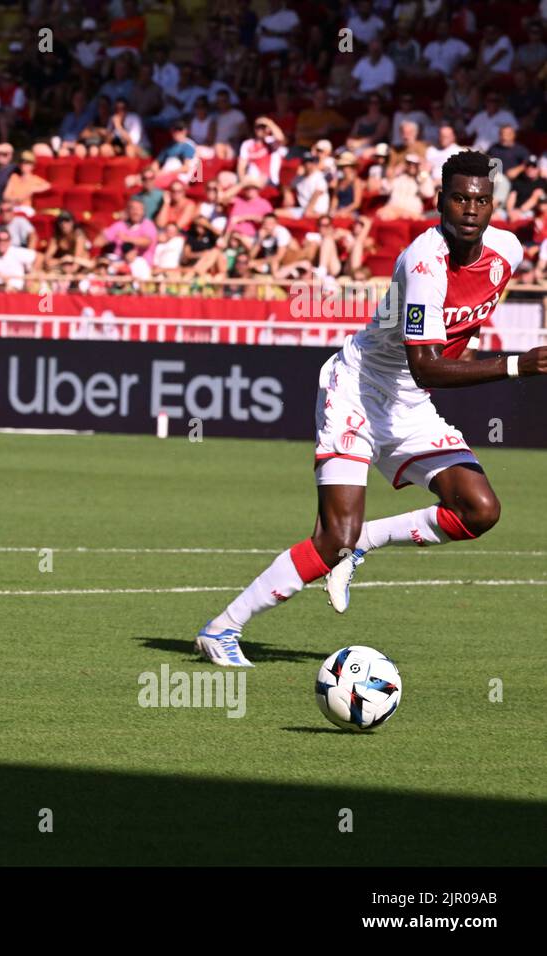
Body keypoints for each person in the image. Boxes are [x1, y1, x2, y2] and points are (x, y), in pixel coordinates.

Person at [194, 151, 537, 667]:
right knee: (333, 536)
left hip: (407, 403)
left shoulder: (507, 250)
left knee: (479, 509)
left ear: (494, 206)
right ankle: (222, 628)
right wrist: (517, 365)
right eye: (460, 198)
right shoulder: (424, 263)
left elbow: (450, 342)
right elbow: (426, 366)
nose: (471, 209)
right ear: (440, 201)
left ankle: (365, 544)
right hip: (357, 389)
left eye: (481, 200)